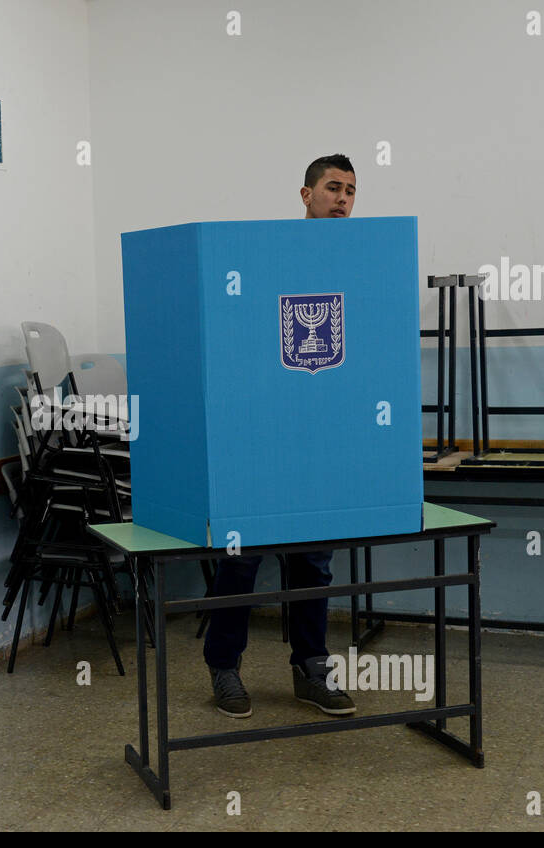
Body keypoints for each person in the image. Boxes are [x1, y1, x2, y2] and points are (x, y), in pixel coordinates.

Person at [204, 153, 358, 719]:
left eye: (350, 191)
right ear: (305, 194)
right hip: (264, 435)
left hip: (322, 437)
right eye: (332, 188)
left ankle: (310, 670)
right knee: (241, 559)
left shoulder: (360, 262)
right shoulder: (268, 256)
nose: (342, 199)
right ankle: (224, 668)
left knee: (314, 561)